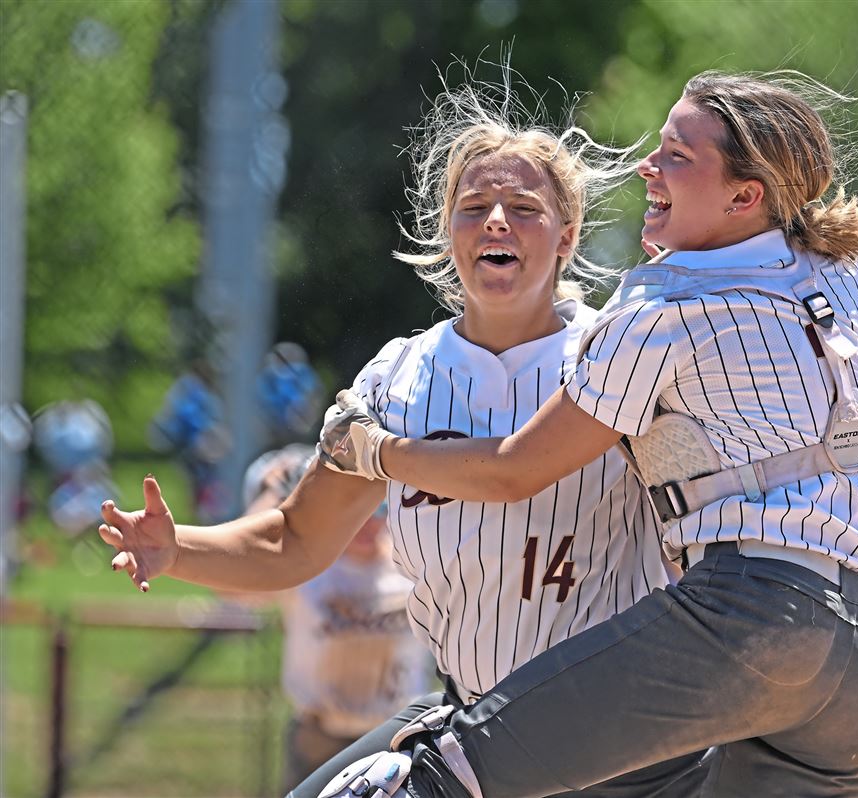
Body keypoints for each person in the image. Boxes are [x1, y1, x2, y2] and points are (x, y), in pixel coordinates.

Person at [313, 69, 858, 798]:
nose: (649, 167)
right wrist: (799, 509)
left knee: (433, 778)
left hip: (745, 619)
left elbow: (513, 470)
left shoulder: (662, 302)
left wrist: (374, 449)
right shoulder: (853, 280)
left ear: (745, 196)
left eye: (677, 156)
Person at [98, 71, 712, 798]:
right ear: (446, 230)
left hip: (619, 739)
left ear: (568, 234)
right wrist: (177, 549)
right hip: (474, 718)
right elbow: (293, 541)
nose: (495, 222)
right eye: (474, 206)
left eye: (523, 207)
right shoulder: (398, 379)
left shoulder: (619, 353)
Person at [227, 444, 431, 794]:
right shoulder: (310, 566)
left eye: (379, 507)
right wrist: (281, 492)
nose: (371, 520)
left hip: (398, 735)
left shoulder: (410, 559)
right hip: (320, 739)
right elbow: (235, 579)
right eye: (357, 511)